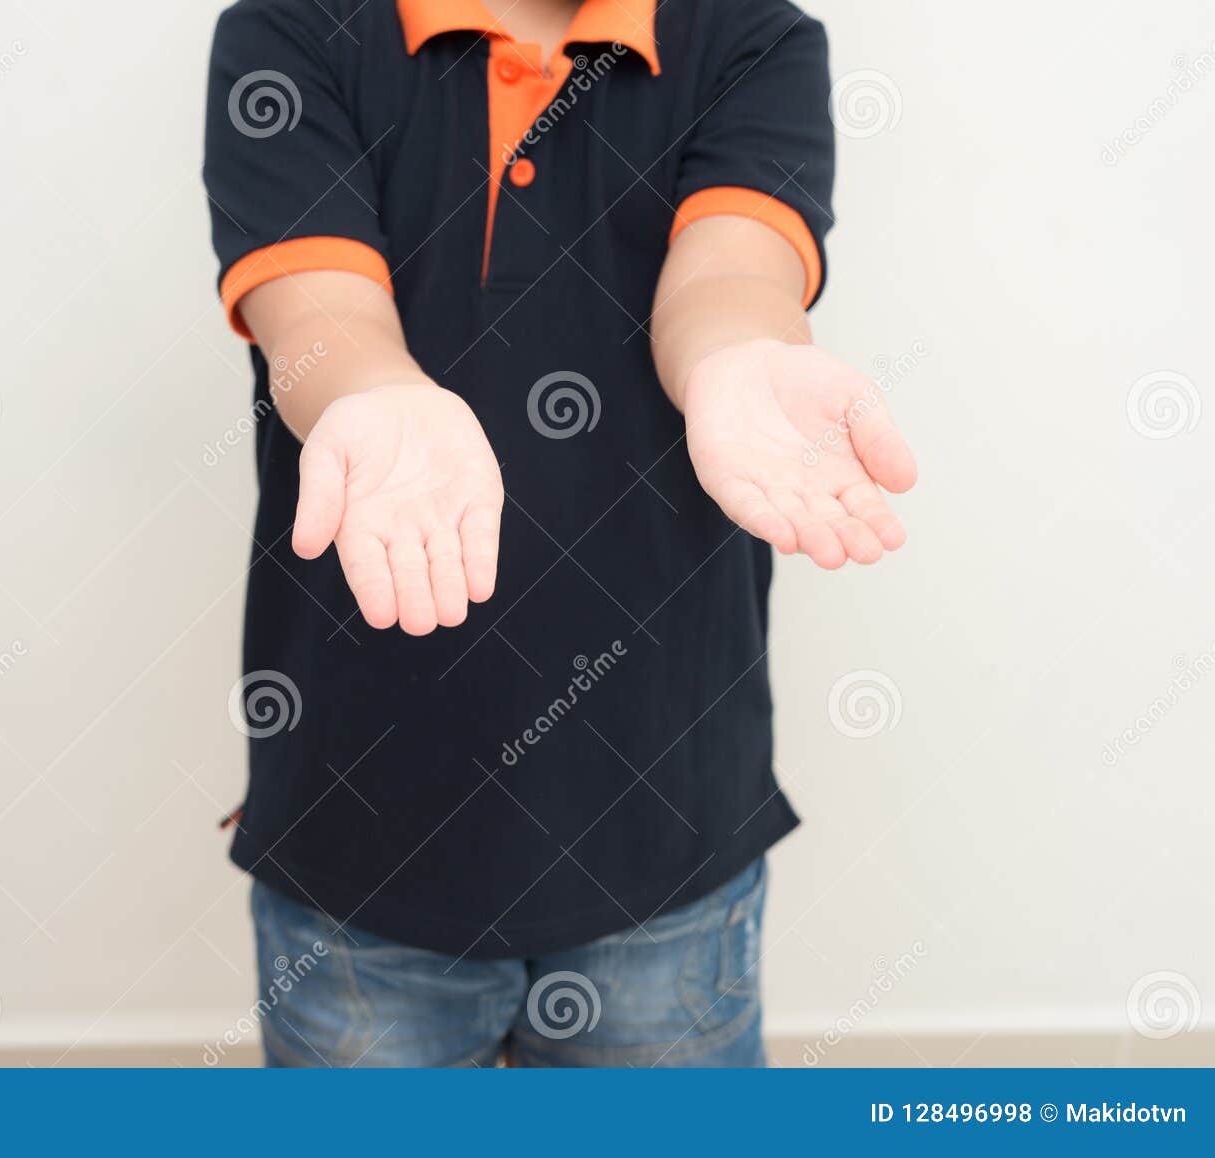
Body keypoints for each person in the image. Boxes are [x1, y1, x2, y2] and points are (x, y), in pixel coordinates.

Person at [202, 0, 917, 1066]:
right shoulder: (295, 29)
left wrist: (735, 358)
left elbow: (730, 273)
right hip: (360, 838)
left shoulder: (751, 38)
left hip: (663, 833)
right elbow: (318, 313)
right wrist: (376, 389)